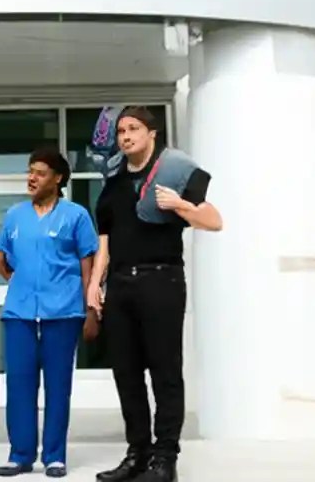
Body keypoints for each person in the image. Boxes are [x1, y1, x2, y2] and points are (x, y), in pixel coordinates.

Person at [88, 107, 223, 482]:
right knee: (126, 373)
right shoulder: (114, 183)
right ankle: (137, 454)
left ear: (152, 133)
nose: (125, 136)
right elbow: (105, 242)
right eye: (120, 131)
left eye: (133, 129)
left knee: (165, 372)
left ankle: (165, 460)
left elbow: (214, 221)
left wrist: (179, 205)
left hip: (161, 281)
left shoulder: (174, 172)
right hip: (120, 285)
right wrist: (95, 284)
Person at [0, 148, 101, 478]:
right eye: (30, 171)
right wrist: (17, 279)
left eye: (40, 173)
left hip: (63, 313)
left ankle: (54, 456)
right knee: (19, 386)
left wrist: (91, 309)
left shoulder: (76, 215)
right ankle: (20, 455)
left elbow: (88, 264)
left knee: (57, 386)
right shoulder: (15, 215)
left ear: (57, 178)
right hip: (20, 314)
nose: (32, 178)